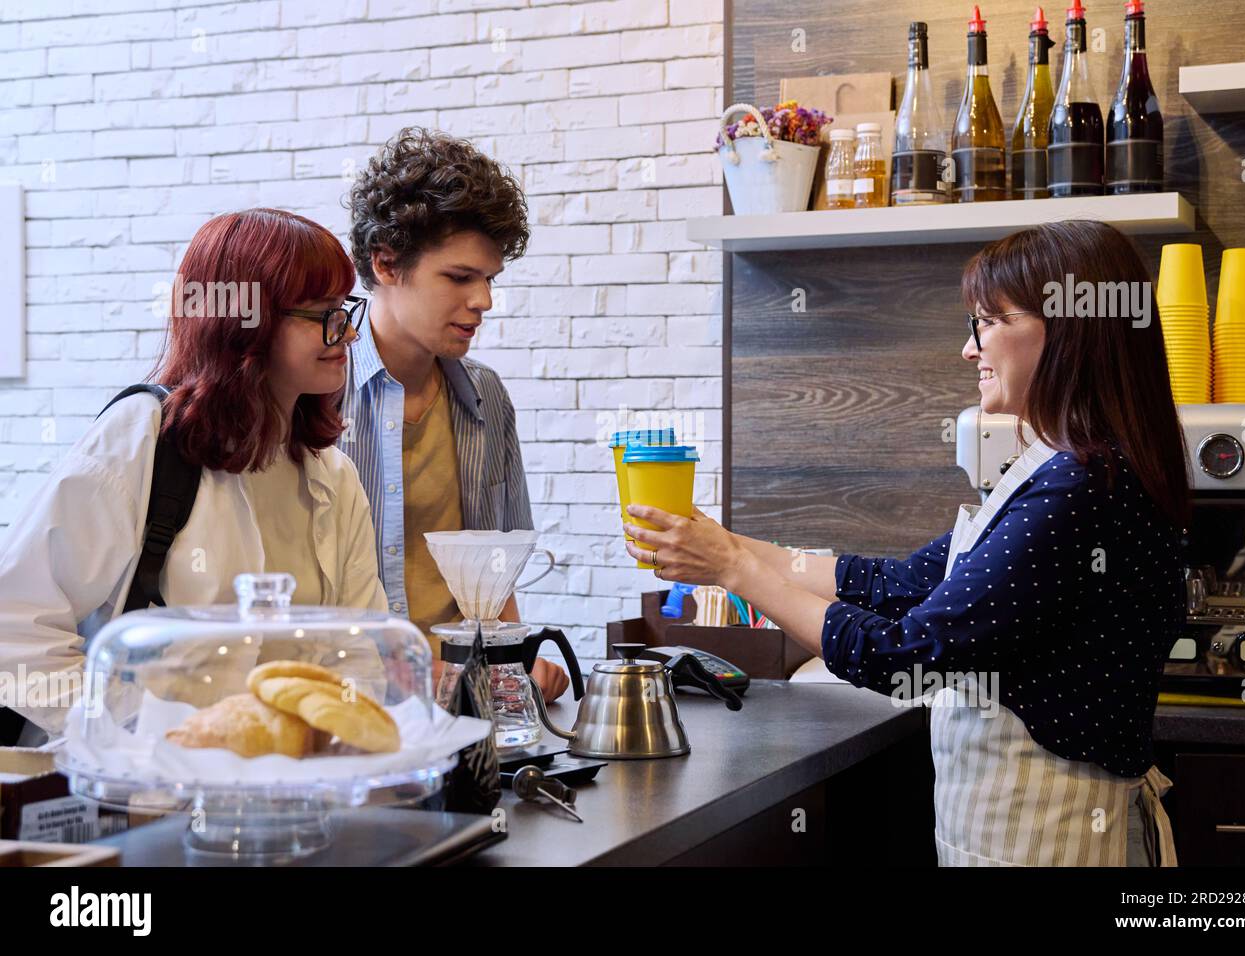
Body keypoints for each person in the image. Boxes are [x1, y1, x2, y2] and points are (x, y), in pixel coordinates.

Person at [625, 221, 1187, 866]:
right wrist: (722, 542)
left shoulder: (1081, 487)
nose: (969, 349)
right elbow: (899, 584)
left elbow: (903, 656)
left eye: (988, 321)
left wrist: (732, 571)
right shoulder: (1054, 467)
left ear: (1068, 330)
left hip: (1055, 833)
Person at [0, 208, 386, 744]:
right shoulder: (143, 437)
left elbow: (361, 658)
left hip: (283, 801)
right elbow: (15, 630)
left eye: (344, 309)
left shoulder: (335, 477)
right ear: (243, 321)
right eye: (320, 312)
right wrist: (134, 743)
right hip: (137, 801)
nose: (344, 332)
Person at [342, 127, 568, 701]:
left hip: (468, 706)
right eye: (460, 277)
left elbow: (497, 569)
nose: (484, 301)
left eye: (488, 279)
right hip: (352, 707)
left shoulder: (485, 397)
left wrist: (517, 664)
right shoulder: (318, 392)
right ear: (387, 264)